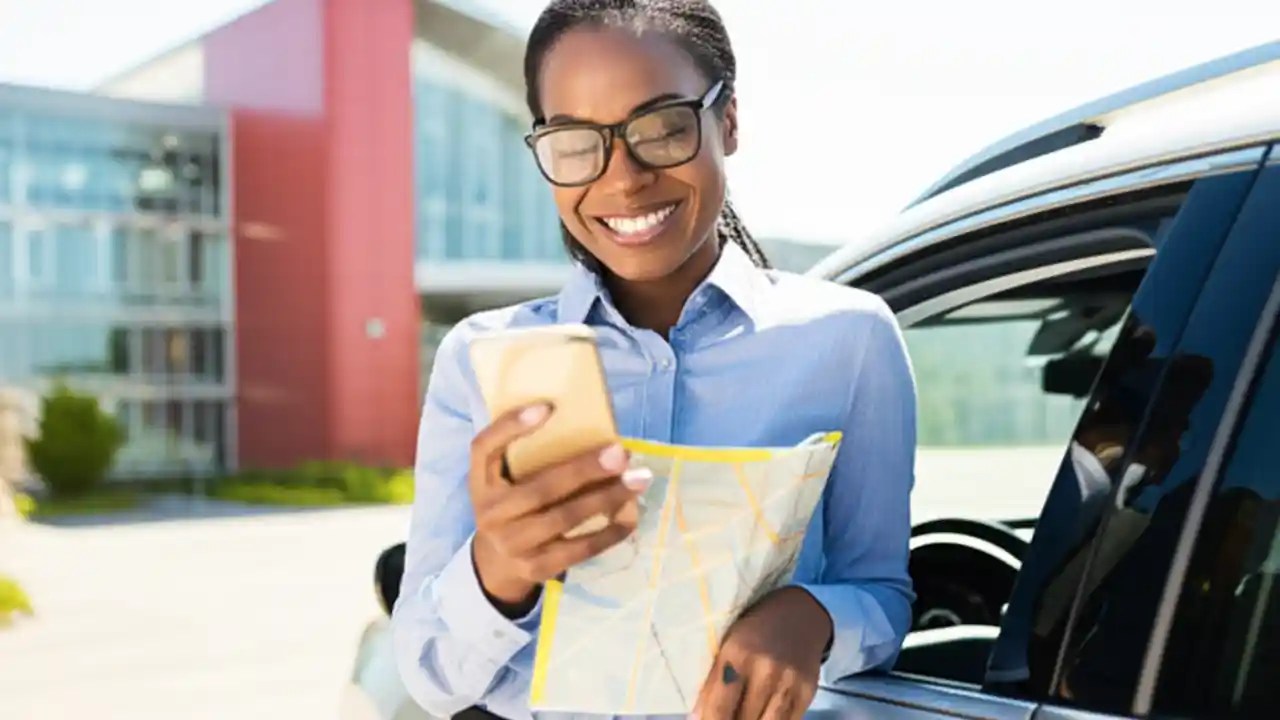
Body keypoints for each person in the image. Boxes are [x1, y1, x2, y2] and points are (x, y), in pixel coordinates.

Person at [391, 1, 917, 718]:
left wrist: (813, 617)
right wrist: (500, 569)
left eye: (664, 128)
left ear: (728, 121)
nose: (623, 178)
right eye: (575, 143)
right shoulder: (480, 359)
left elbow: (881, 598)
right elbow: (430, 675)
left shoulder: (848, 340)